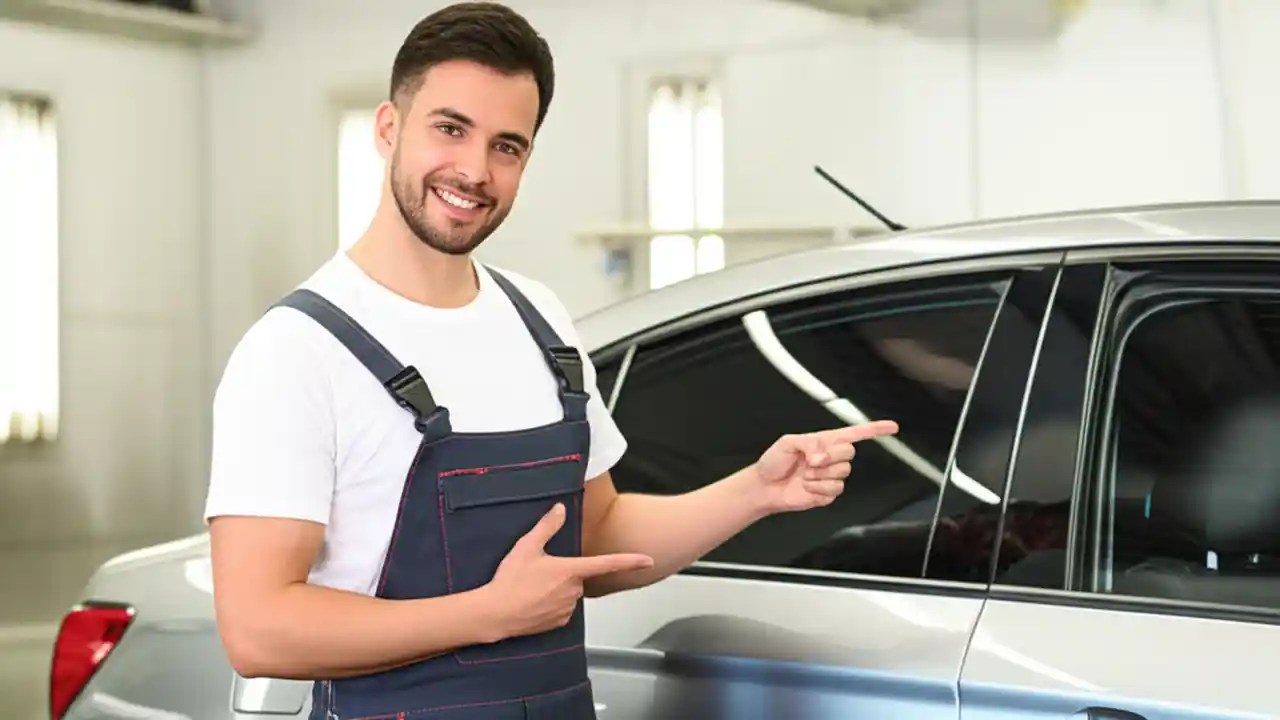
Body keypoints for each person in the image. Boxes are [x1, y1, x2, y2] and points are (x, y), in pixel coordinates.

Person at [203, 3, 899, 719]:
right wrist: (488, 614)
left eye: (507, 146)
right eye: (450, 129)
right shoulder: (295, 352)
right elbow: (258, 628)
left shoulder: (536, 321)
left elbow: (598, 534)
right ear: (389, 129)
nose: (474, 170)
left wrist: (755, 490)